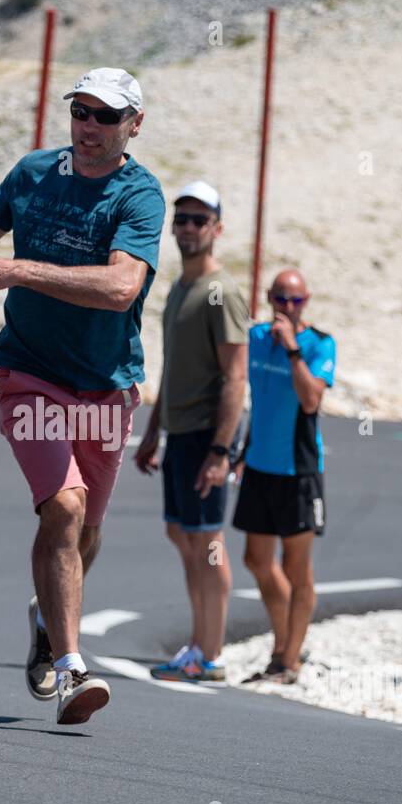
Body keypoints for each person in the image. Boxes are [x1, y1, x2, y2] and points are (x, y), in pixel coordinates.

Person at [0, 68, 165, 723]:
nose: (88, 127)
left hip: (107, 386)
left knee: (86, 533)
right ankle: (70, 668)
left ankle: (44, 616)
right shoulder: (32, 173)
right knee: (62, 507)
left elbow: (121, 288)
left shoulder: (140, 196)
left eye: (104, 117)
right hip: (27, 374)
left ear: (133, 126)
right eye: (80, 111)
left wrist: (18, 271)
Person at [134, 181, 249, 683]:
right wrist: (154, 431)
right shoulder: (181, 287)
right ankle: (199, 644)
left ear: (217, 229)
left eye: (199, 220)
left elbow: (235, 376)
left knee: (207, 543)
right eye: (181, 219)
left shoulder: (222, 292)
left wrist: (221, 451)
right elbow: (172, 368)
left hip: (207, 436)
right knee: (181, 532)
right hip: (179, 433)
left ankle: (212, 653)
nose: (188, 228)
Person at [233, 268, 335, 684]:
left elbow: (311, 400)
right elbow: (251, 396)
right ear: (269, 299)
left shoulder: (319, 343)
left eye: (295, 301)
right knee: (256, 560)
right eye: (280, 300)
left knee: (298, 569)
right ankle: (285, 639)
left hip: (300, 471)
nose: (287, 308)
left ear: (306, 301)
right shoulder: (255, 338)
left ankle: (288, 658)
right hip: (259, 465)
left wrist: (293, 350)